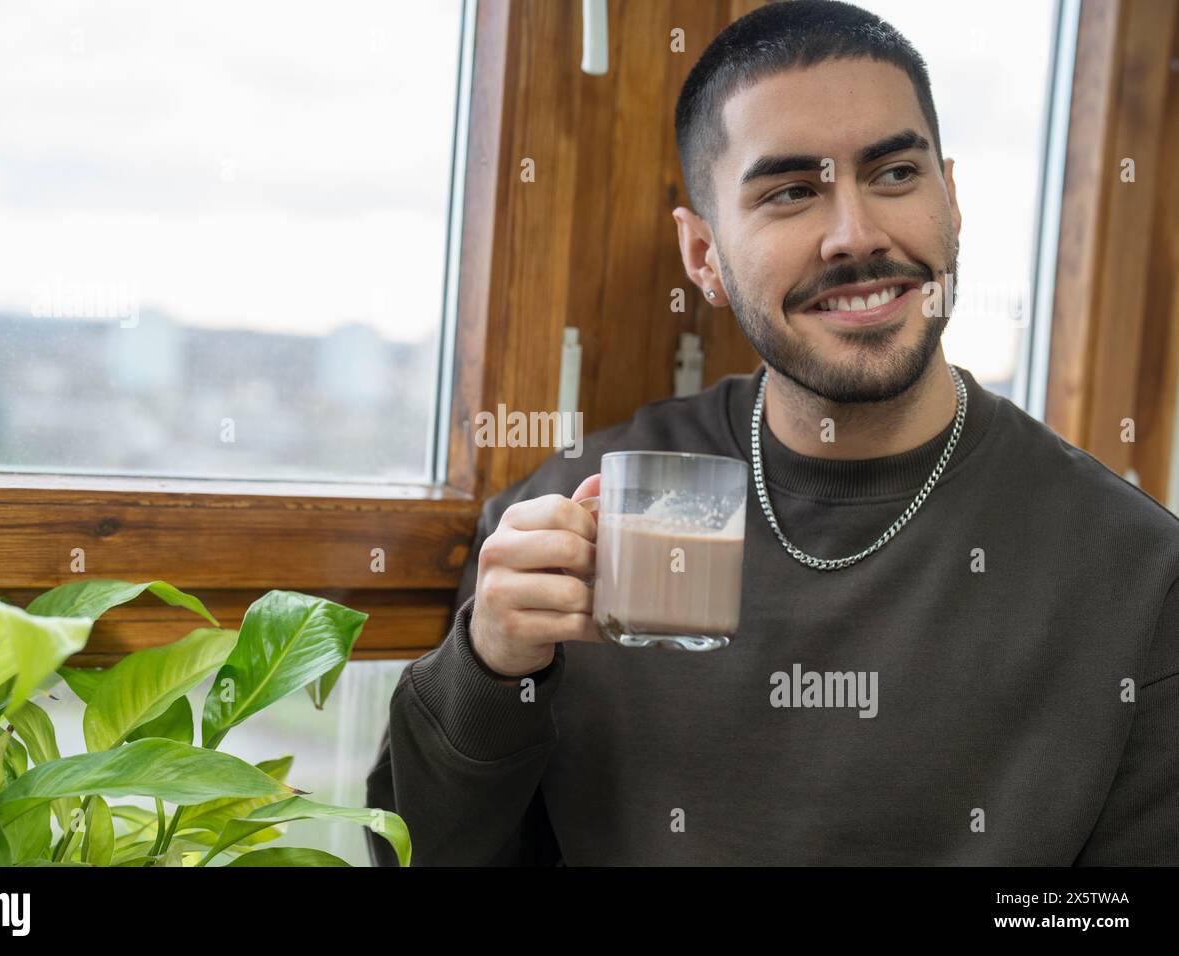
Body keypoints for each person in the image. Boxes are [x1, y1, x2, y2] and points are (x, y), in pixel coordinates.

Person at [365, 0, 1179, 865]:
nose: (856, 235)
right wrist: (487, 672)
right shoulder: (564, 524)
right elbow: (419, 858)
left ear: (951, 196)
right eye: (792, 191)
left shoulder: (1137, 575)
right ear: (703, 257)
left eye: (895, 174)